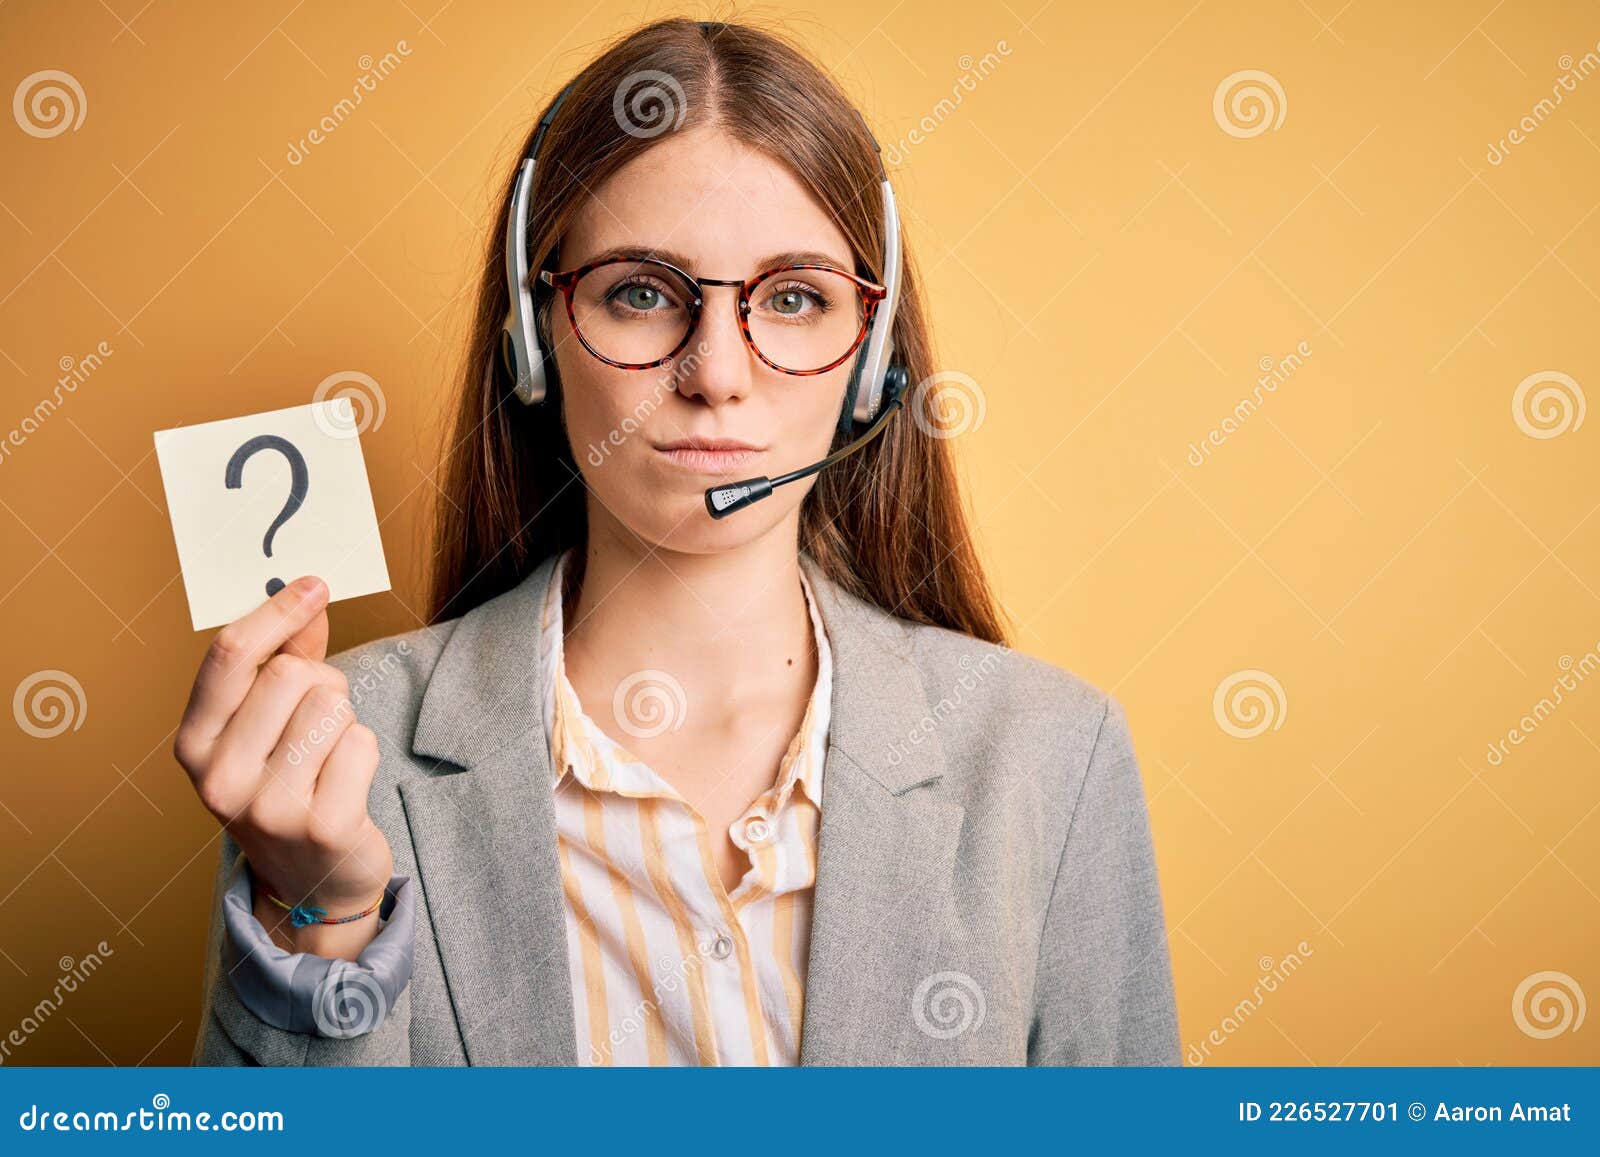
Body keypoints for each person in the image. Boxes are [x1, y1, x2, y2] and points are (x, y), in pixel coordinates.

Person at [177, 16, 1179, 1066]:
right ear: (533, 339)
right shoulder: (339, 749)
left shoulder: (1053, 755)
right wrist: (323, 918)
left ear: (872, 354)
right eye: (641, 293)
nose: (717, 373)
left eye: (794, 298)